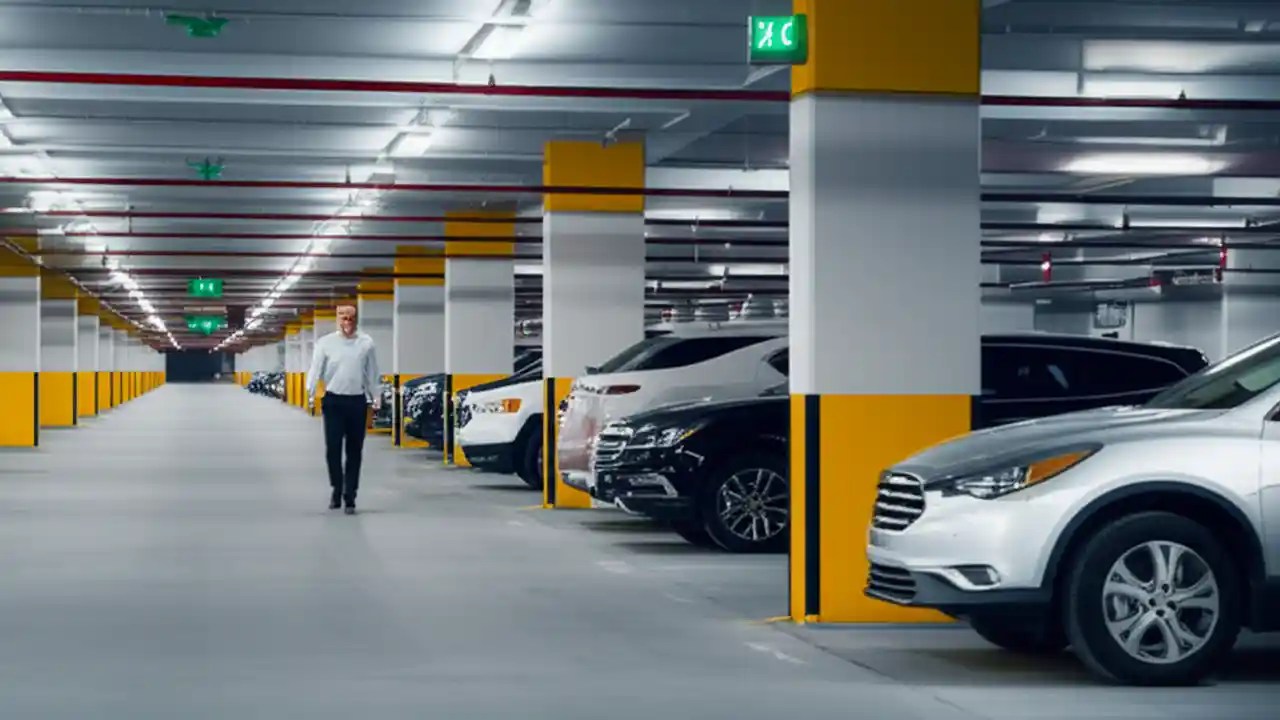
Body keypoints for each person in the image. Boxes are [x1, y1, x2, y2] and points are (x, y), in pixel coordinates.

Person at [306, 305, 382, 515]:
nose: (347, 321)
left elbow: (373, 372)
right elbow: (315, 369)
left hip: (357, 402)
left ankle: (350, 496)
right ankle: (336, 489)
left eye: (351, 318)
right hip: (333, 402)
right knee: (332, 449)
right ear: (337, 319)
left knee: (354, 451)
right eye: (343, 317)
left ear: (356, 319)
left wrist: (376, 398)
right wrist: (311, 394)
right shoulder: (326, 343)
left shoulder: (366, 343)